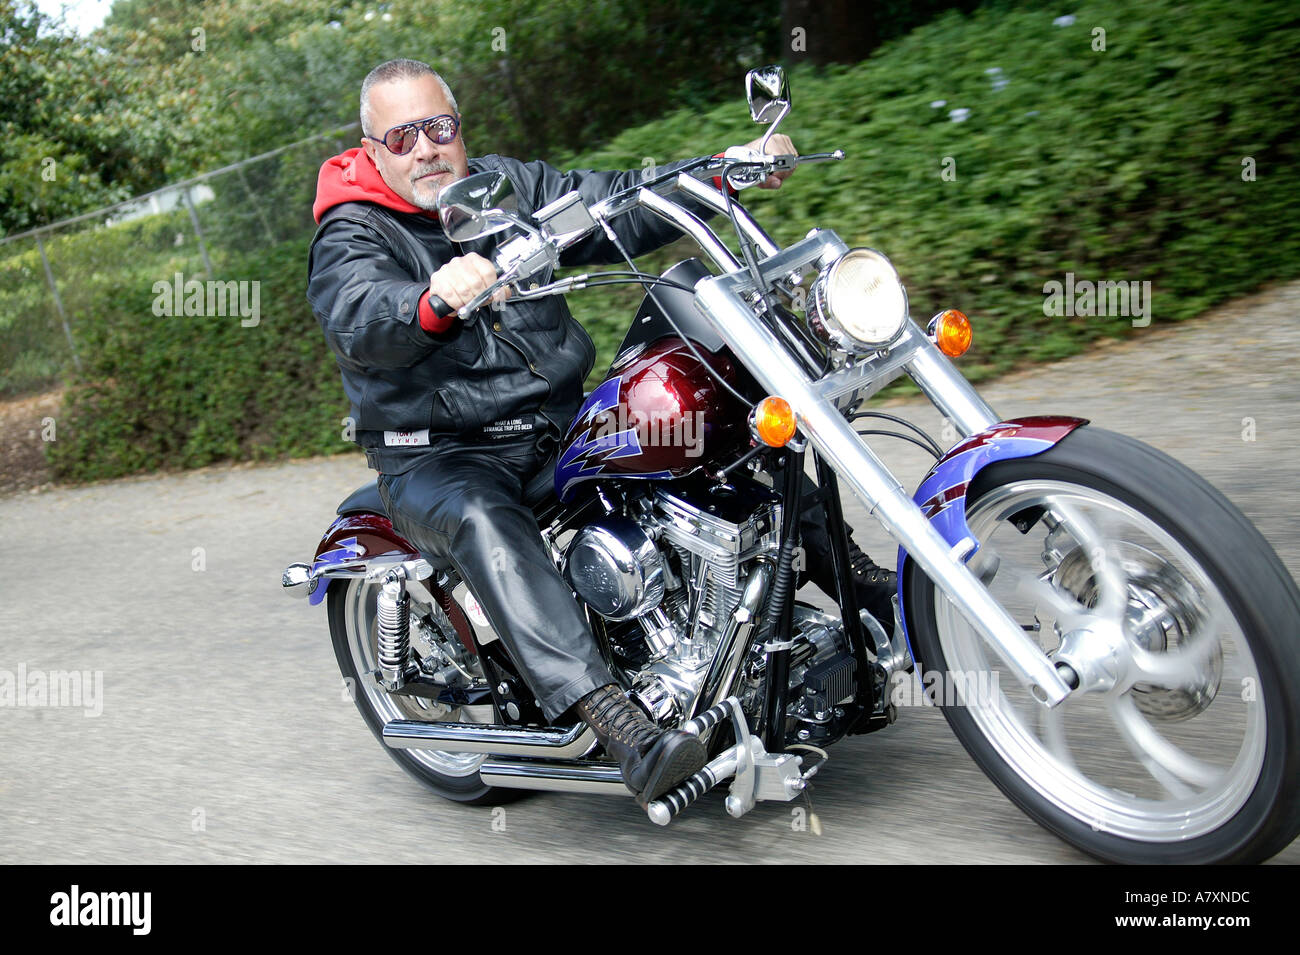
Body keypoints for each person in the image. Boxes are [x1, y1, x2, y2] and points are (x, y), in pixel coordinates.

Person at [307, 58, 896, 808]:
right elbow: (361, 315)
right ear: (373, 147)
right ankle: (619, 725)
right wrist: (429, 298)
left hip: (552, 419)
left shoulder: (506, 186)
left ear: (460, 129)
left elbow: (615, 199)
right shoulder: (353, 230)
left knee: (703, 418)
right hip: (443, 451)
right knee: (487, 519)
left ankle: (859, 582)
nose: (425, 148)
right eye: (403, 135)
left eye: (438, 127)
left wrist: (721, 173)